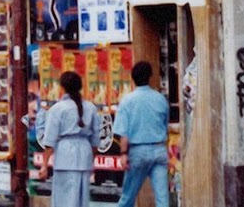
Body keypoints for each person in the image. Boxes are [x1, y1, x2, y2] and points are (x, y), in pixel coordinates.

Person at [37, 70, 101, 207]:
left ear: (62, 87)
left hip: (65, 156)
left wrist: (44, 165)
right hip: (84, 154)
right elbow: (96, 140)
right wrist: (91, 160)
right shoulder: (91, 108)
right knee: (81, 199)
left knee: (64, 199)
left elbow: (50, 140)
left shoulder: (58, 109)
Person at [113, 61, 171, 207]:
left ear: (133, 78)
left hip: (137, 152)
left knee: (128, 197)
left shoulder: (127, 101)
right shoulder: (160, 99)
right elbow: (165, 124)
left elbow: (123, 133)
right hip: (159, 150)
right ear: (150, 77)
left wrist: (124, 153)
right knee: (162, 199)